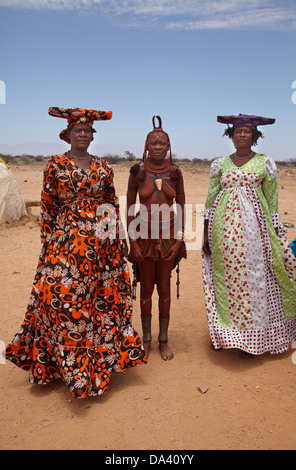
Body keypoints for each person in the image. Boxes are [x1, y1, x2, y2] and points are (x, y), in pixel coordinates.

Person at [5, 107, 146, 398]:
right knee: (61, 299)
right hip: (66, 242)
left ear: (92, 136)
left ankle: (98, 364)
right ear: (67, 134)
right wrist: (49, 244)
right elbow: (48, 207)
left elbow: (110, 204)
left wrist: (117, 239)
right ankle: (64, 364)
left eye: (87, 131)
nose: (83, 134)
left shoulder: (104, 166)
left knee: (101, 301)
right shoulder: (54, 165)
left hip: (101, 246)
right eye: (77, 130)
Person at [202, 113, 296, 357]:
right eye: (238, 131)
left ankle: (254, 337)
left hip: (257, 233)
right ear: (231, 136)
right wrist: (204, 235)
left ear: (255, 136)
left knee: (256, 281)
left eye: (247, 131)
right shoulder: (221, 164)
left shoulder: (264, 163)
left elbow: (272, 201)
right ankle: (228, 335)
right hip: (223, 233)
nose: (242, 134)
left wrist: (277, 233)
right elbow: (211, 199)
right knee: (229, 282)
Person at [126, 116, 186, 361]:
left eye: (162, 143)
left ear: (169, 146)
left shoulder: (175, 172)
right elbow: (130, 207)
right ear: (146, 146)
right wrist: (132, 242)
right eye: (153, 143)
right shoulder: (137, 171)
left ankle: (163, 341)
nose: (158, 146)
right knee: (146, 289)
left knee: (164, 288)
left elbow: (180, 207)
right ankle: (147, 340)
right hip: (143, 235)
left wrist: (180, 241)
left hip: (169, 236)